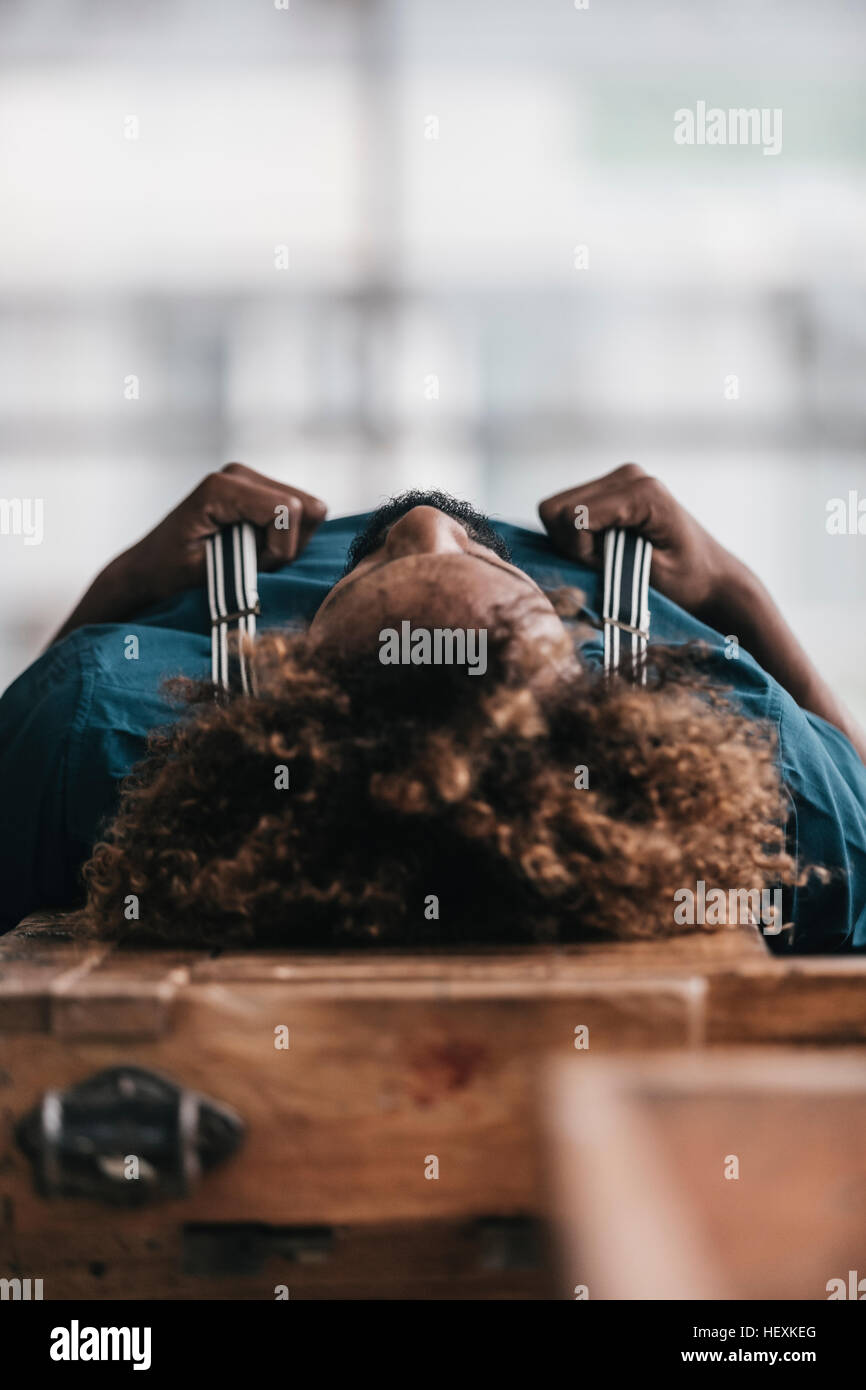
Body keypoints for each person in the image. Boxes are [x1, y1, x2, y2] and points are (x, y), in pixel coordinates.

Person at [1, 462, 864, 952]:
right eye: (513, 581)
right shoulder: (753, 760)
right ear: (584, 687)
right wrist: (733, 591)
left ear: (291, 691)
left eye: (368, 574)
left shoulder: (101, 721)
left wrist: (127, 584)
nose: (423, 519)